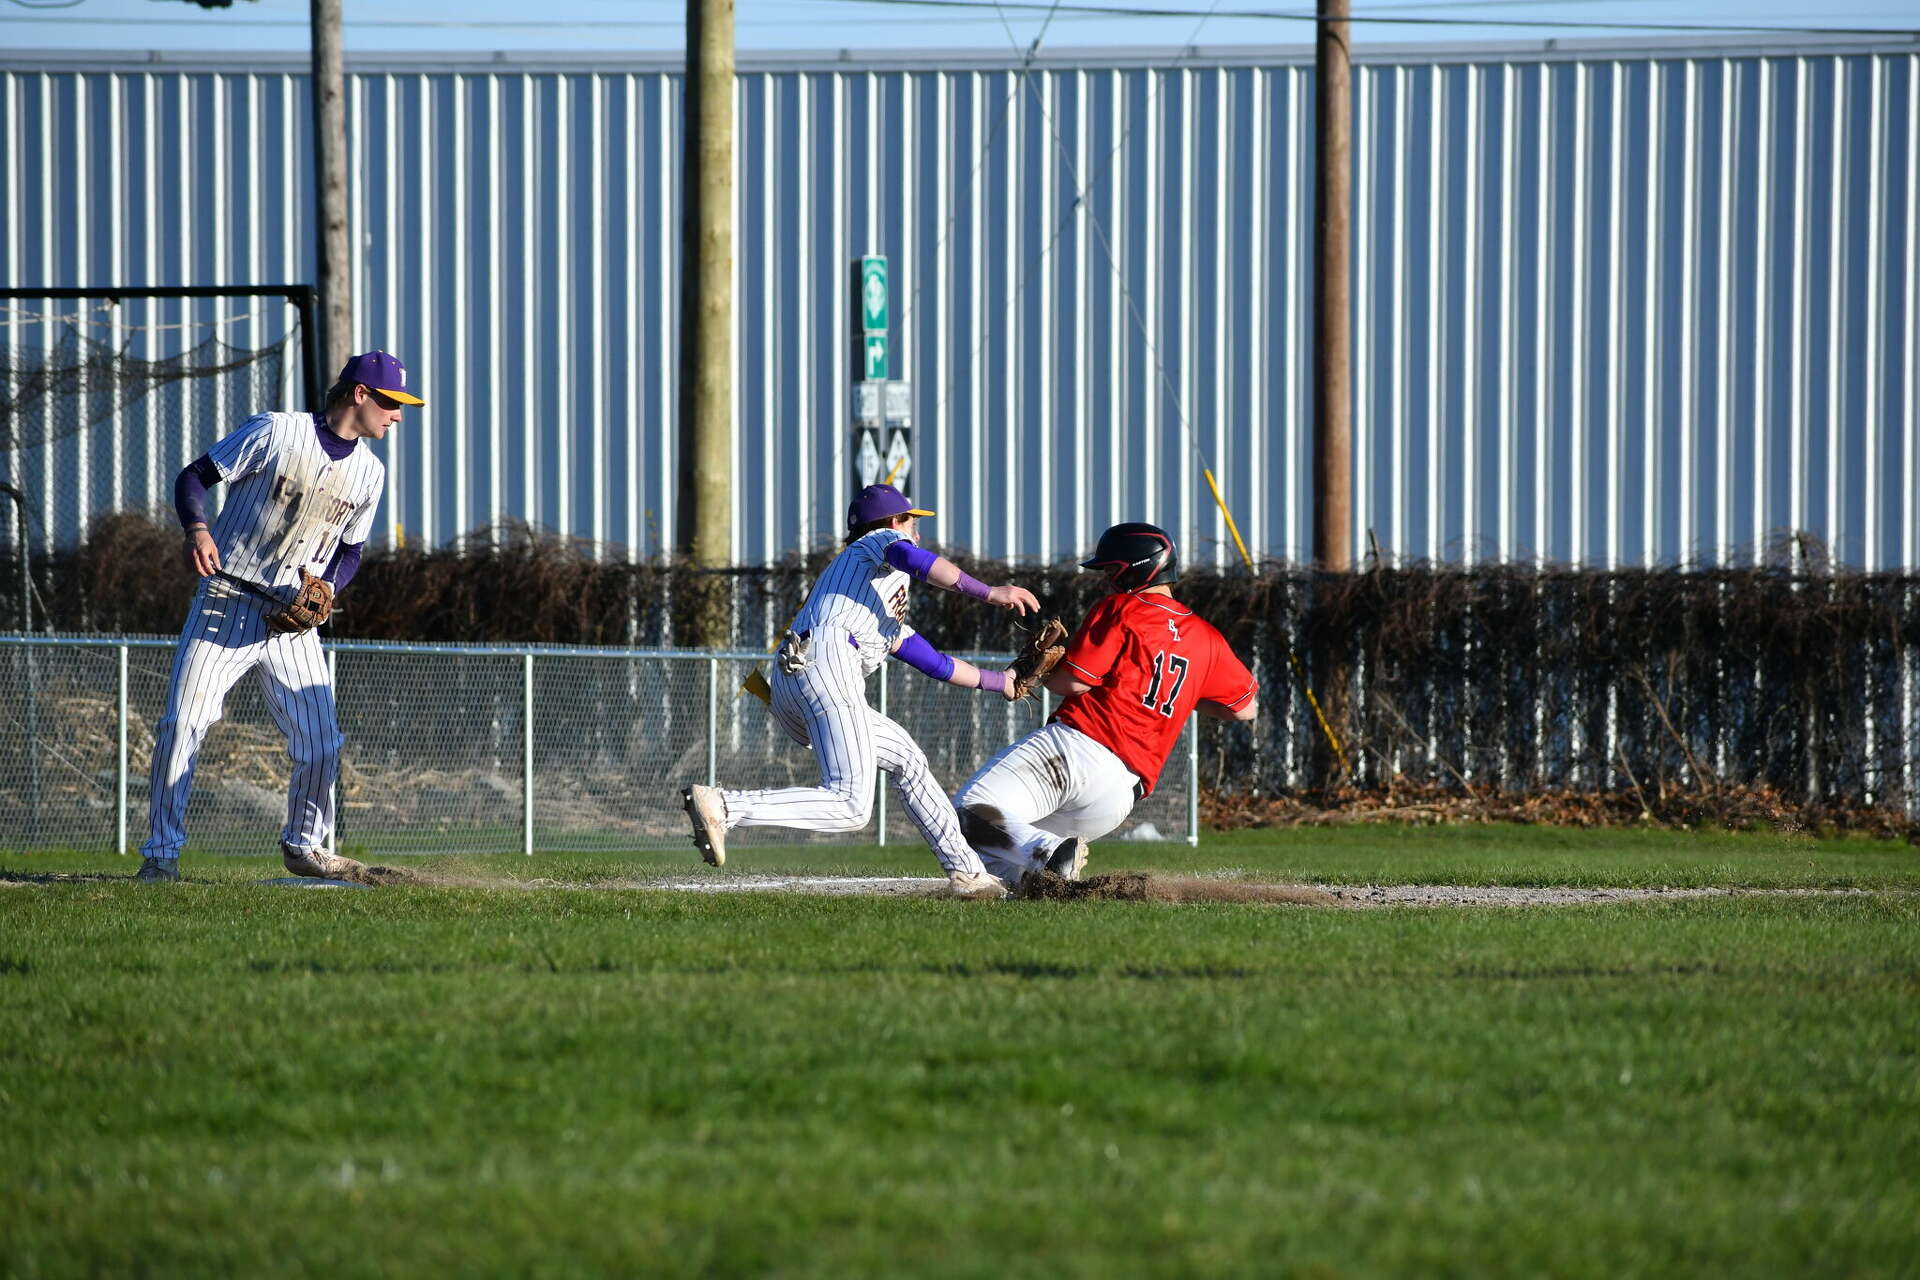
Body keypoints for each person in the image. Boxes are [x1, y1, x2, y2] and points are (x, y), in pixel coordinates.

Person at [133, 351, 422, 883]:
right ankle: (161, 855)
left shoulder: (369, 473)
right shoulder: (275, 432)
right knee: (183, 725)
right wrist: (198, 529)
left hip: (292, 621)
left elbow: (351, 551)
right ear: (360, 394)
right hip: (227, 602)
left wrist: (329, 590)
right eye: (391, 402)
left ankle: (304, 847)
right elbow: (195, 477)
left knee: (321, 743)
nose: (397, 415)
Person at [682, 483, 1040, 898]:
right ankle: (726, 806)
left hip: (802, 674)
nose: (916, 532)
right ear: (892, 522)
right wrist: (991, 592)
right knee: (850, 804)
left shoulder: (874, 597)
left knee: (908, 760)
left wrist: (1002, 683)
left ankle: (969, 875)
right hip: (828, 662)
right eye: (911, 521)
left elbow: (933, 661)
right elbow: (914, 557)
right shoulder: (879, 542)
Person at [953, 522, 1258, 886]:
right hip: (1118, 797)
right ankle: (1046, 867)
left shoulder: (1123, 607)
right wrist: (1180, 696)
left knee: (966, 811)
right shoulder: (1207, 638)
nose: (1106, 580)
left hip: (1077, 750)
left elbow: (1073, 681)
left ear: (1140, 567)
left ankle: (1051, 852)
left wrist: (1038, 670)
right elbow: (1244, 708)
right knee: (1002, 867)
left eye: (1111, 570)